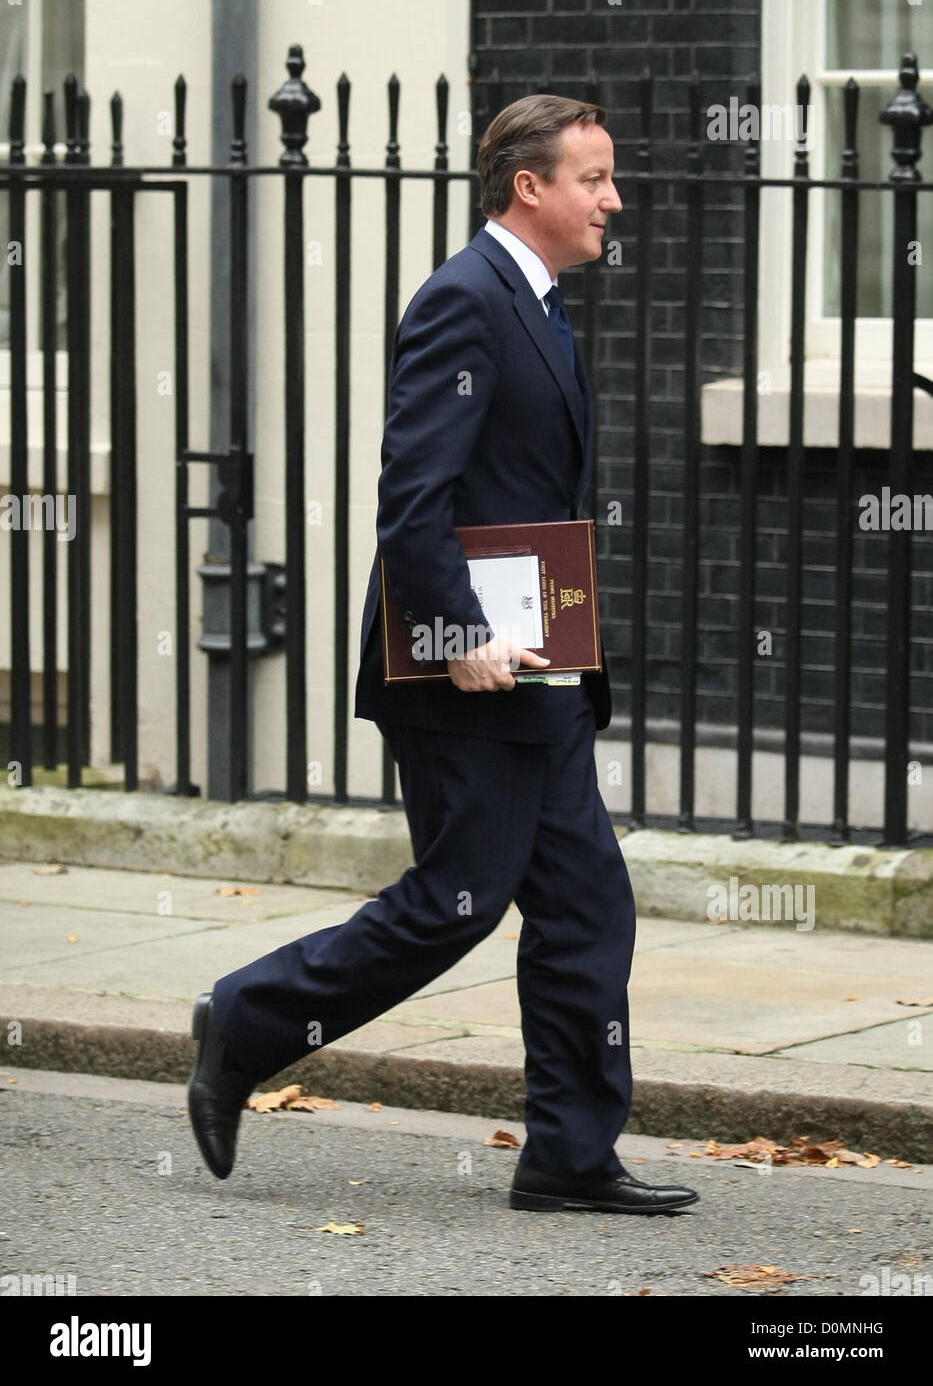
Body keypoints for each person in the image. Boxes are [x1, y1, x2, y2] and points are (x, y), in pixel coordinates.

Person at [188, 93, 698, 1215]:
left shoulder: (539, 303)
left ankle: (568, 1153)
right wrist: (457, 630)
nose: (615, 199)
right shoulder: (466, 301)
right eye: (595, 178)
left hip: (537, 675)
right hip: (467, 677)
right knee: (458, 901)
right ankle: (246, 1018)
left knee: (584, 908)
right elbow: (410, 499)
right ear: (532, 187)